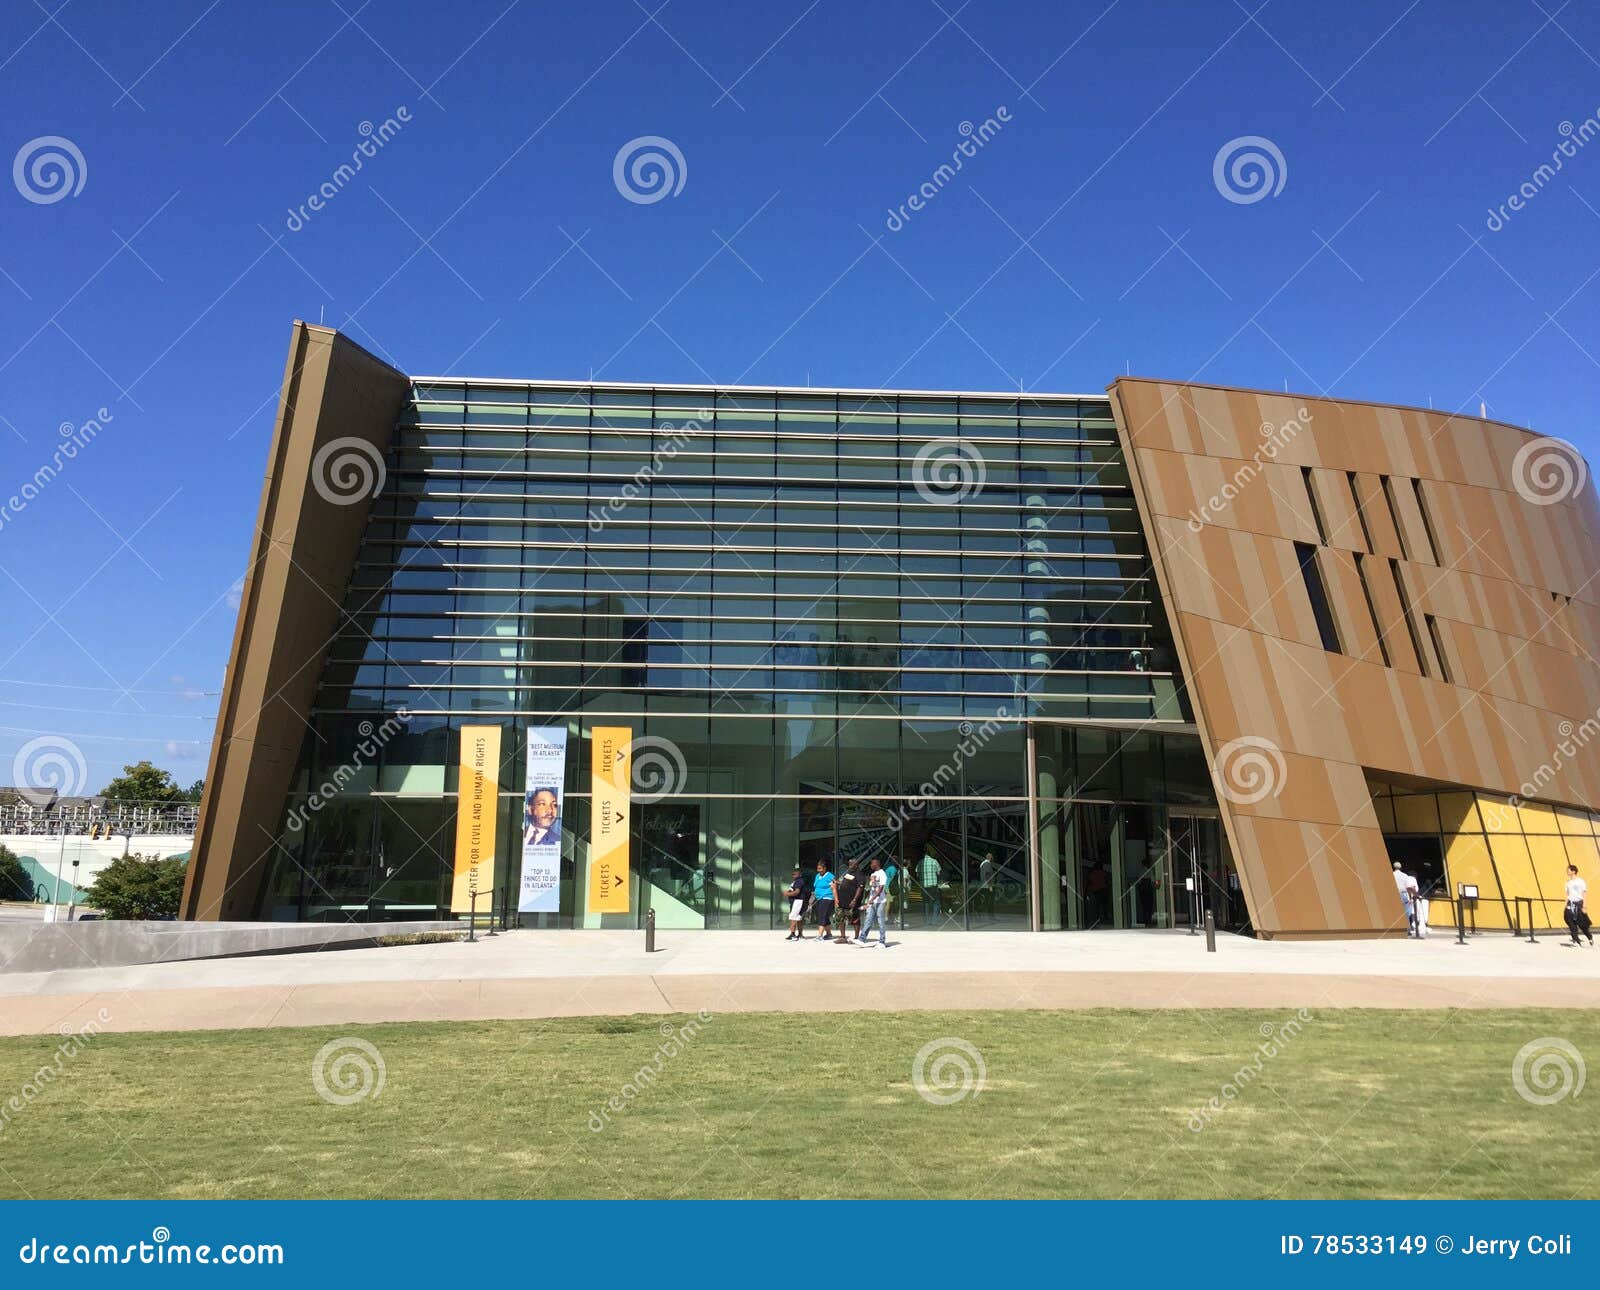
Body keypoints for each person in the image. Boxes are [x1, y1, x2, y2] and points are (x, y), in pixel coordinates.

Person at [857, 856, 889, 947]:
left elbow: (881, 889)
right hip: (872, 901)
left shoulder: (882, 874)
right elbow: (872, 889)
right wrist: (868, 900)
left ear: (877, 863)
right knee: (868, 920)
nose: (870, 865)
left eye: (872, 863)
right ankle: (862, 939)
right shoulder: (872, 874)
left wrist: (872, 899)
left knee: (880, 921)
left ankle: (882, 941)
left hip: (880, 902)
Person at [835, 860, 863, 944]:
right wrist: (837, 882)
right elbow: (844, 883)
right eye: (849, 864)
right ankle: (843, 937)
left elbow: (860, 888)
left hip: (852, 901)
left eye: (851, 864)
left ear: (856, 865)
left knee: (855, 919)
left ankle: (856, 937)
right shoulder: (847, 874)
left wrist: (854, 899)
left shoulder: (859, 875)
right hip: (842, 900)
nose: (849, 866)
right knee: (840, 918)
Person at [1564, 863, 1593, 947]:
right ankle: (1576, 940)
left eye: (1568, 870)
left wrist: (1584, 905)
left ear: (1573, 871)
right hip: (1570, 903)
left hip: (1579, 903)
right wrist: (1566, 904)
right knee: (1570, 921)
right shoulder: (1568, 882)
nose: (1567, 871)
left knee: (1582, 923)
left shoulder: (1580, 881)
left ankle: (1589, 936)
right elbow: (1567, 894)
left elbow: (1584, 893)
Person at [811, 859, 837, 941]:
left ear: (825, 868)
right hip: (818, 898)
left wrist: (836, 899)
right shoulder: (817, 876)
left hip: (827, 898)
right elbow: (816, 886)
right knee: (824, 916)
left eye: (820, 869)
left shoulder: (830, 876)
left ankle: (820, 935)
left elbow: (834, 887)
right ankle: (829, 934)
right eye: (818, 868)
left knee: (822, 916)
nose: (818, 870)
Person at [1392, 861, 1418, 937]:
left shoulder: (1392, 874)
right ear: (1400, 867)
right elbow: (1408, 887)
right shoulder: (1405, 875)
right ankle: (1407, 929)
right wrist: (1410, 897)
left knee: (1395, 912)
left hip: (1395, 894)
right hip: (1403, 894)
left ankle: (1396, 929)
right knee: (1405, 913)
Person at [783, 866, 808, 941]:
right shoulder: (796, 881)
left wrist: (787, 894)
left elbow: (797, 892)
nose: (793, 876)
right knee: (798, 918)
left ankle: (793, 934)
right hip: (796, 902)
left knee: (793, 918)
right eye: (793, 874)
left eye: (795, 874)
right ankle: (800, 934)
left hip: (797, 902)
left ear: (800, 875)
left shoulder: (799, 881)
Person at [919, 850, 941, 925]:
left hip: (924, 886)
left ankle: (927, 920)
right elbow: (938, 872)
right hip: (933, 886)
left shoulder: (920, 863)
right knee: (936, 902)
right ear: (930, 854)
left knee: (926, 903)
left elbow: (917, 874)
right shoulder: (934, 861)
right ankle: (934, 920)